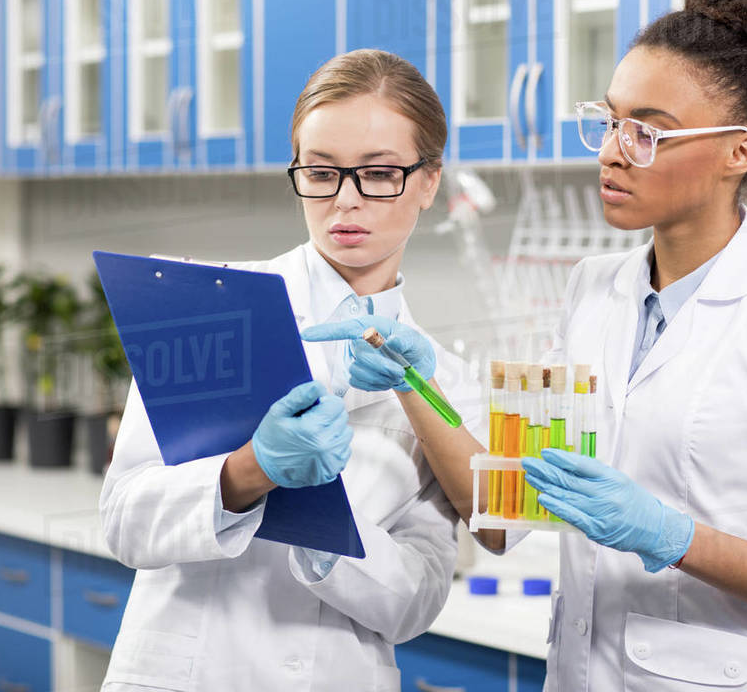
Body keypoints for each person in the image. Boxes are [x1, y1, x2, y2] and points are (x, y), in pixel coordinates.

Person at [314, 0, 747, 691]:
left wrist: (669, 536)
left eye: (647, 131)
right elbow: (503, 518)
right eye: (609, 121)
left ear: (739, 150)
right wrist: (415, 383)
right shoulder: (594, 290)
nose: (611, 151)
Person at [99, 49, 482, 692]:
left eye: (380, 173)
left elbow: (416, 603)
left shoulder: (445, 388)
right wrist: (248, 473)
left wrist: (324, 536)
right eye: (322, 173)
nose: (345, 201)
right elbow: (125, 522)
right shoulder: (212, 308)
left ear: (428, 181)